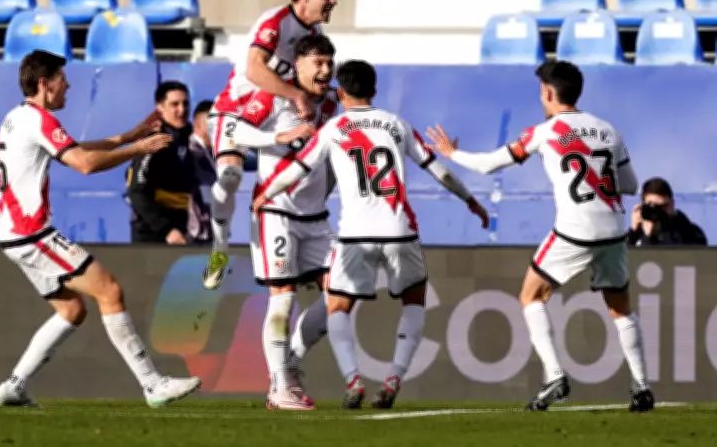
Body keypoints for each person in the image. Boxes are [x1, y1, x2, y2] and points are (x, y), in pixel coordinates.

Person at [251, 60, 488, 410]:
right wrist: (470, 200)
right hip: (399, 229)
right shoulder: (397, 124)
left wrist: (266, 194)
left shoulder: (333, 128)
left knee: (338, 305)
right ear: (374, 90)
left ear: (340, 92)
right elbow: (438, 171)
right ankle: (393, 377)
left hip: (355, 234)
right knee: (413, 300)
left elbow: (298, 169)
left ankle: (353, 379)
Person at [425, 59, 654, 413]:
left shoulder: (545, 131)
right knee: (620, 309)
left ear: (548, 92)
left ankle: (555, 376)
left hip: (575, 230)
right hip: (613, 229)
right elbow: (630, 185)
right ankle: (641, 386)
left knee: (531, 295)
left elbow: (489, 165)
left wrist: (452, 153)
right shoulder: (608, 130)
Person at [0, 50, 201, 408]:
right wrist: (139, 147)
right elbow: (85, 164)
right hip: (33, 234)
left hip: (14, 235)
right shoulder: (38, 120)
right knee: (109, 290)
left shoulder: (16, 118)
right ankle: (153, 385)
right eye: (62, 78)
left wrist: (128, 136)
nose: (68, 85)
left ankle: (14, 386)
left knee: (72, 311)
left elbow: (75, 149)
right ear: (45, 83)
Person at [203, 0, 347, 290]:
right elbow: (255, 70)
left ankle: (306, 255)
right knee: (229, 176)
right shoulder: (275, 22)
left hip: (276, 111)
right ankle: (220, 248)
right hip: (237, 108)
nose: (333, 2)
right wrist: (297, 95)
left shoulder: (316, 37)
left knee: (316, 167)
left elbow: (315, 79)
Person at [233, 35, 338, 410]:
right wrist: (280, 135)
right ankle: (279, 386)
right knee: (283, 298)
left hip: (316, 216)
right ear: (298, 66)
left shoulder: (332, 103)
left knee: (340, 297)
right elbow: (236, 131)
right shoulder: (275, 96)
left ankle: (289, 362)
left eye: (329, 63)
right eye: (318, 63)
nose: (325, 71)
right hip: (275, 210)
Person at [127, 81, 198, 245]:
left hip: (185, 229)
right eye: (175, 104)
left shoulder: (194, 138)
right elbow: (136, 191)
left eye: (186, 103)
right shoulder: (152, 141)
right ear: (160, 106)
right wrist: (167, 230)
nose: (182, 110)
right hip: (152, 233)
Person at [628, 177, 707, 246]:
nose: (657, 212)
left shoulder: (691, 234)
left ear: (672, 204)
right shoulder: (637, 233)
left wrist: (649, 239)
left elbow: (669, 258)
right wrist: (633, 232)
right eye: (652, 206)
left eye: (663, 207)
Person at [187, 100, 217, 245]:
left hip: (208, 230)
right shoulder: (191, 152)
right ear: (197, 125)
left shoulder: (210, 153)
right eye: (211, 125)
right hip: (194, 232)